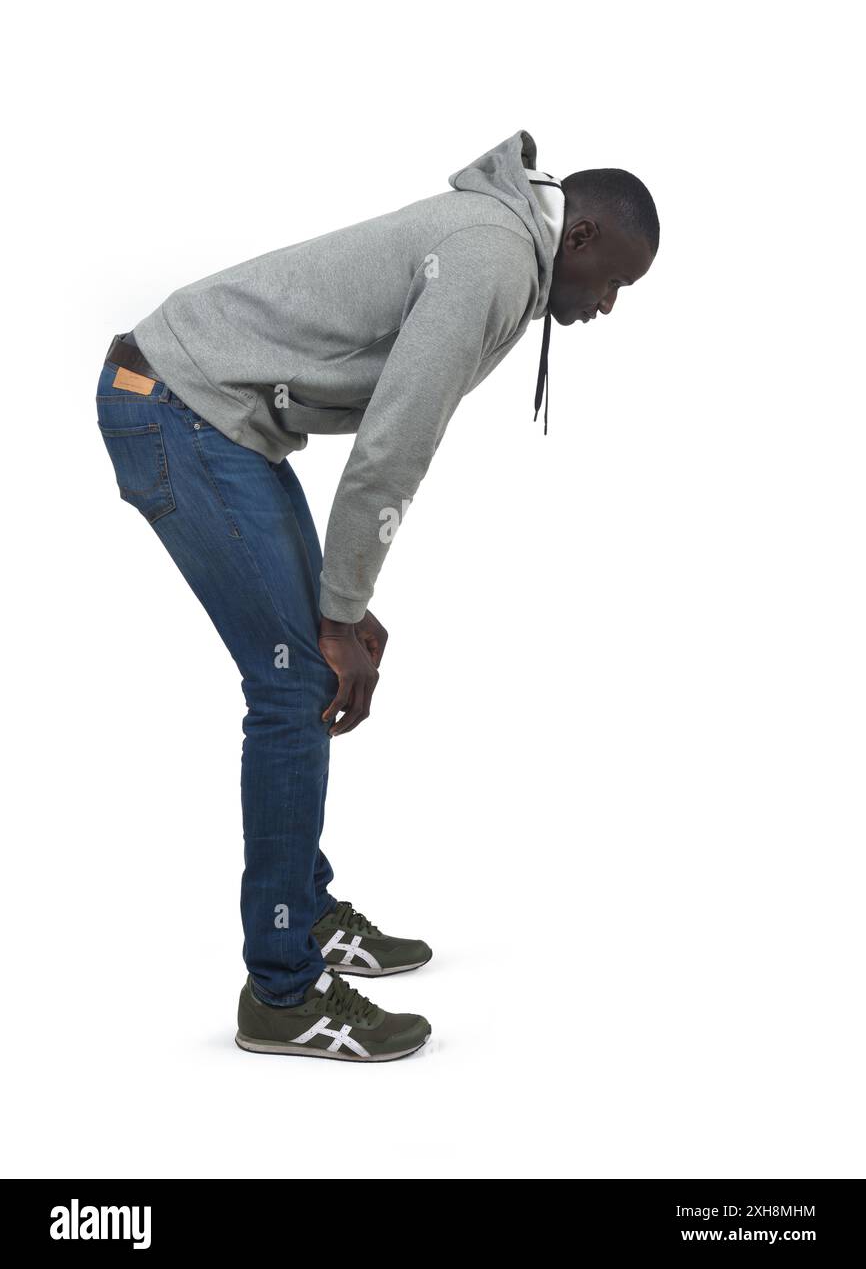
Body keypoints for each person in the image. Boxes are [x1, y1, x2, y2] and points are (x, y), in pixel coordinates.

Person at [96, 129, 659, 1062]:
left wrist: (345, 604)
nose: (605, 307)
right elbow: (394, 446)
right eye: (614, 283)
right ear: (585, 232)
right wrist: (339, 612)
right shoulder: (491, 256)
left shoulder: (502, 250)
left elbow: (385, 441)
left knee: (308, 663)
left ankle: (306, 919)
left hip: (211, 415)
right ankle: (280, 990)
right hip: (177, 407)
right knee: (290, 683)